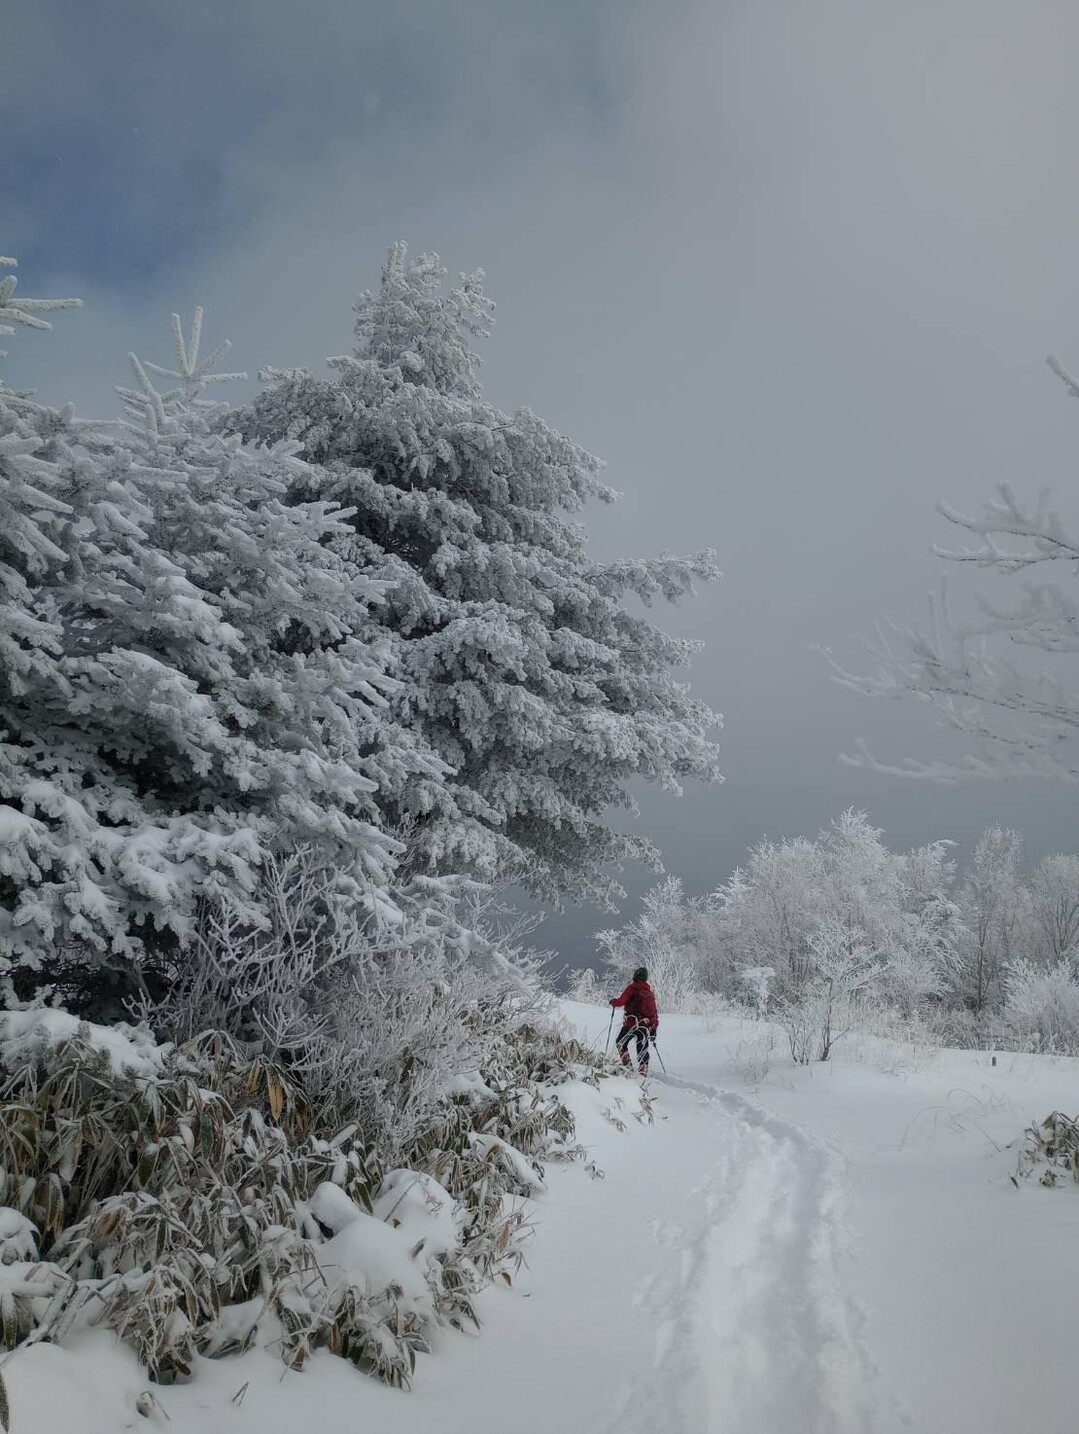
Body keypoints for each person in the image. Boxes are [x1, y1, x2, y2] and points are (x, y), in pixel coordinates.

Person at [610, 966, 659, 1075]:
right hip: (645, 1026)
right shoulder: (649, 993)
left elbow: (621, 1002)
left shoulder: (632, 988)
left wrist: (613, 1002)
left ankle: (628, 1066)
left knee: (620, 1042)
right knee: (642, 1048)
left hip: (631, 1024)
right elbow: (654, 1013)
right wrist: (654, 1028)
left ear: (635, 976)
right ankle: (643, 1070)